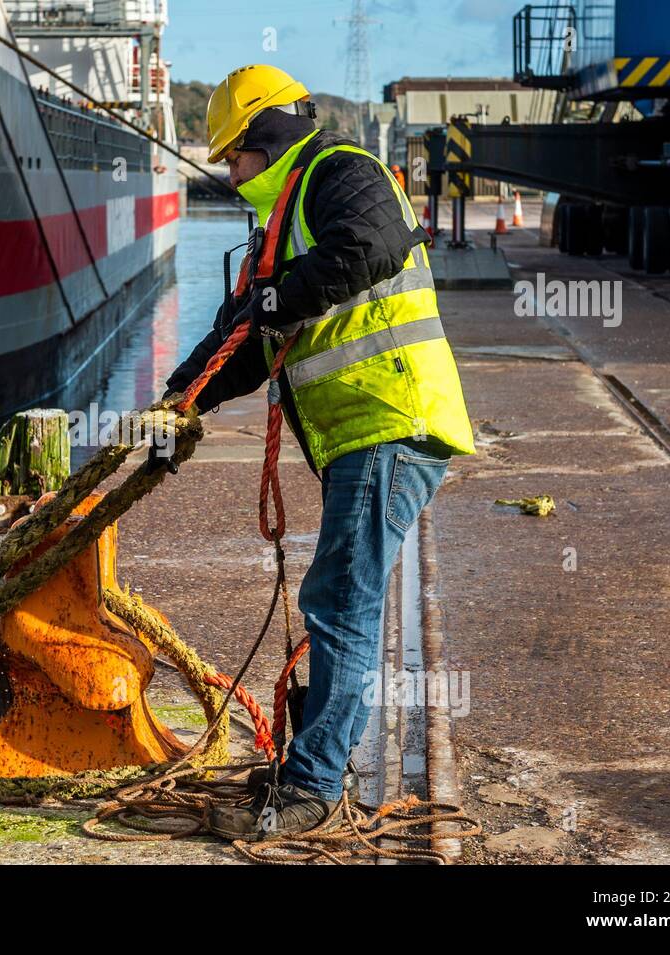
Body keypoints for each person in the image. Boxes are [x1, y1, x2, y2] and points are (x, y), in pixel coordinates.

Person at [161, 65, 475, 841]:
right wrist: (175, 404)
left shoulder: (341, 174)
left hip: (390, 420)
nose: (231, 175)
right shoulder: (279, 229)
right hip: (361, 433)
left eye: (234, 156)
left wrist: (274, 297)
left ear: (265, 138)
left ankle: (311, 783)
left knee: (340, 600)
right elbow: (240, 340)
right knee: (342, 596)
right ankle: (318, 763)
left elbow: (371, 245)